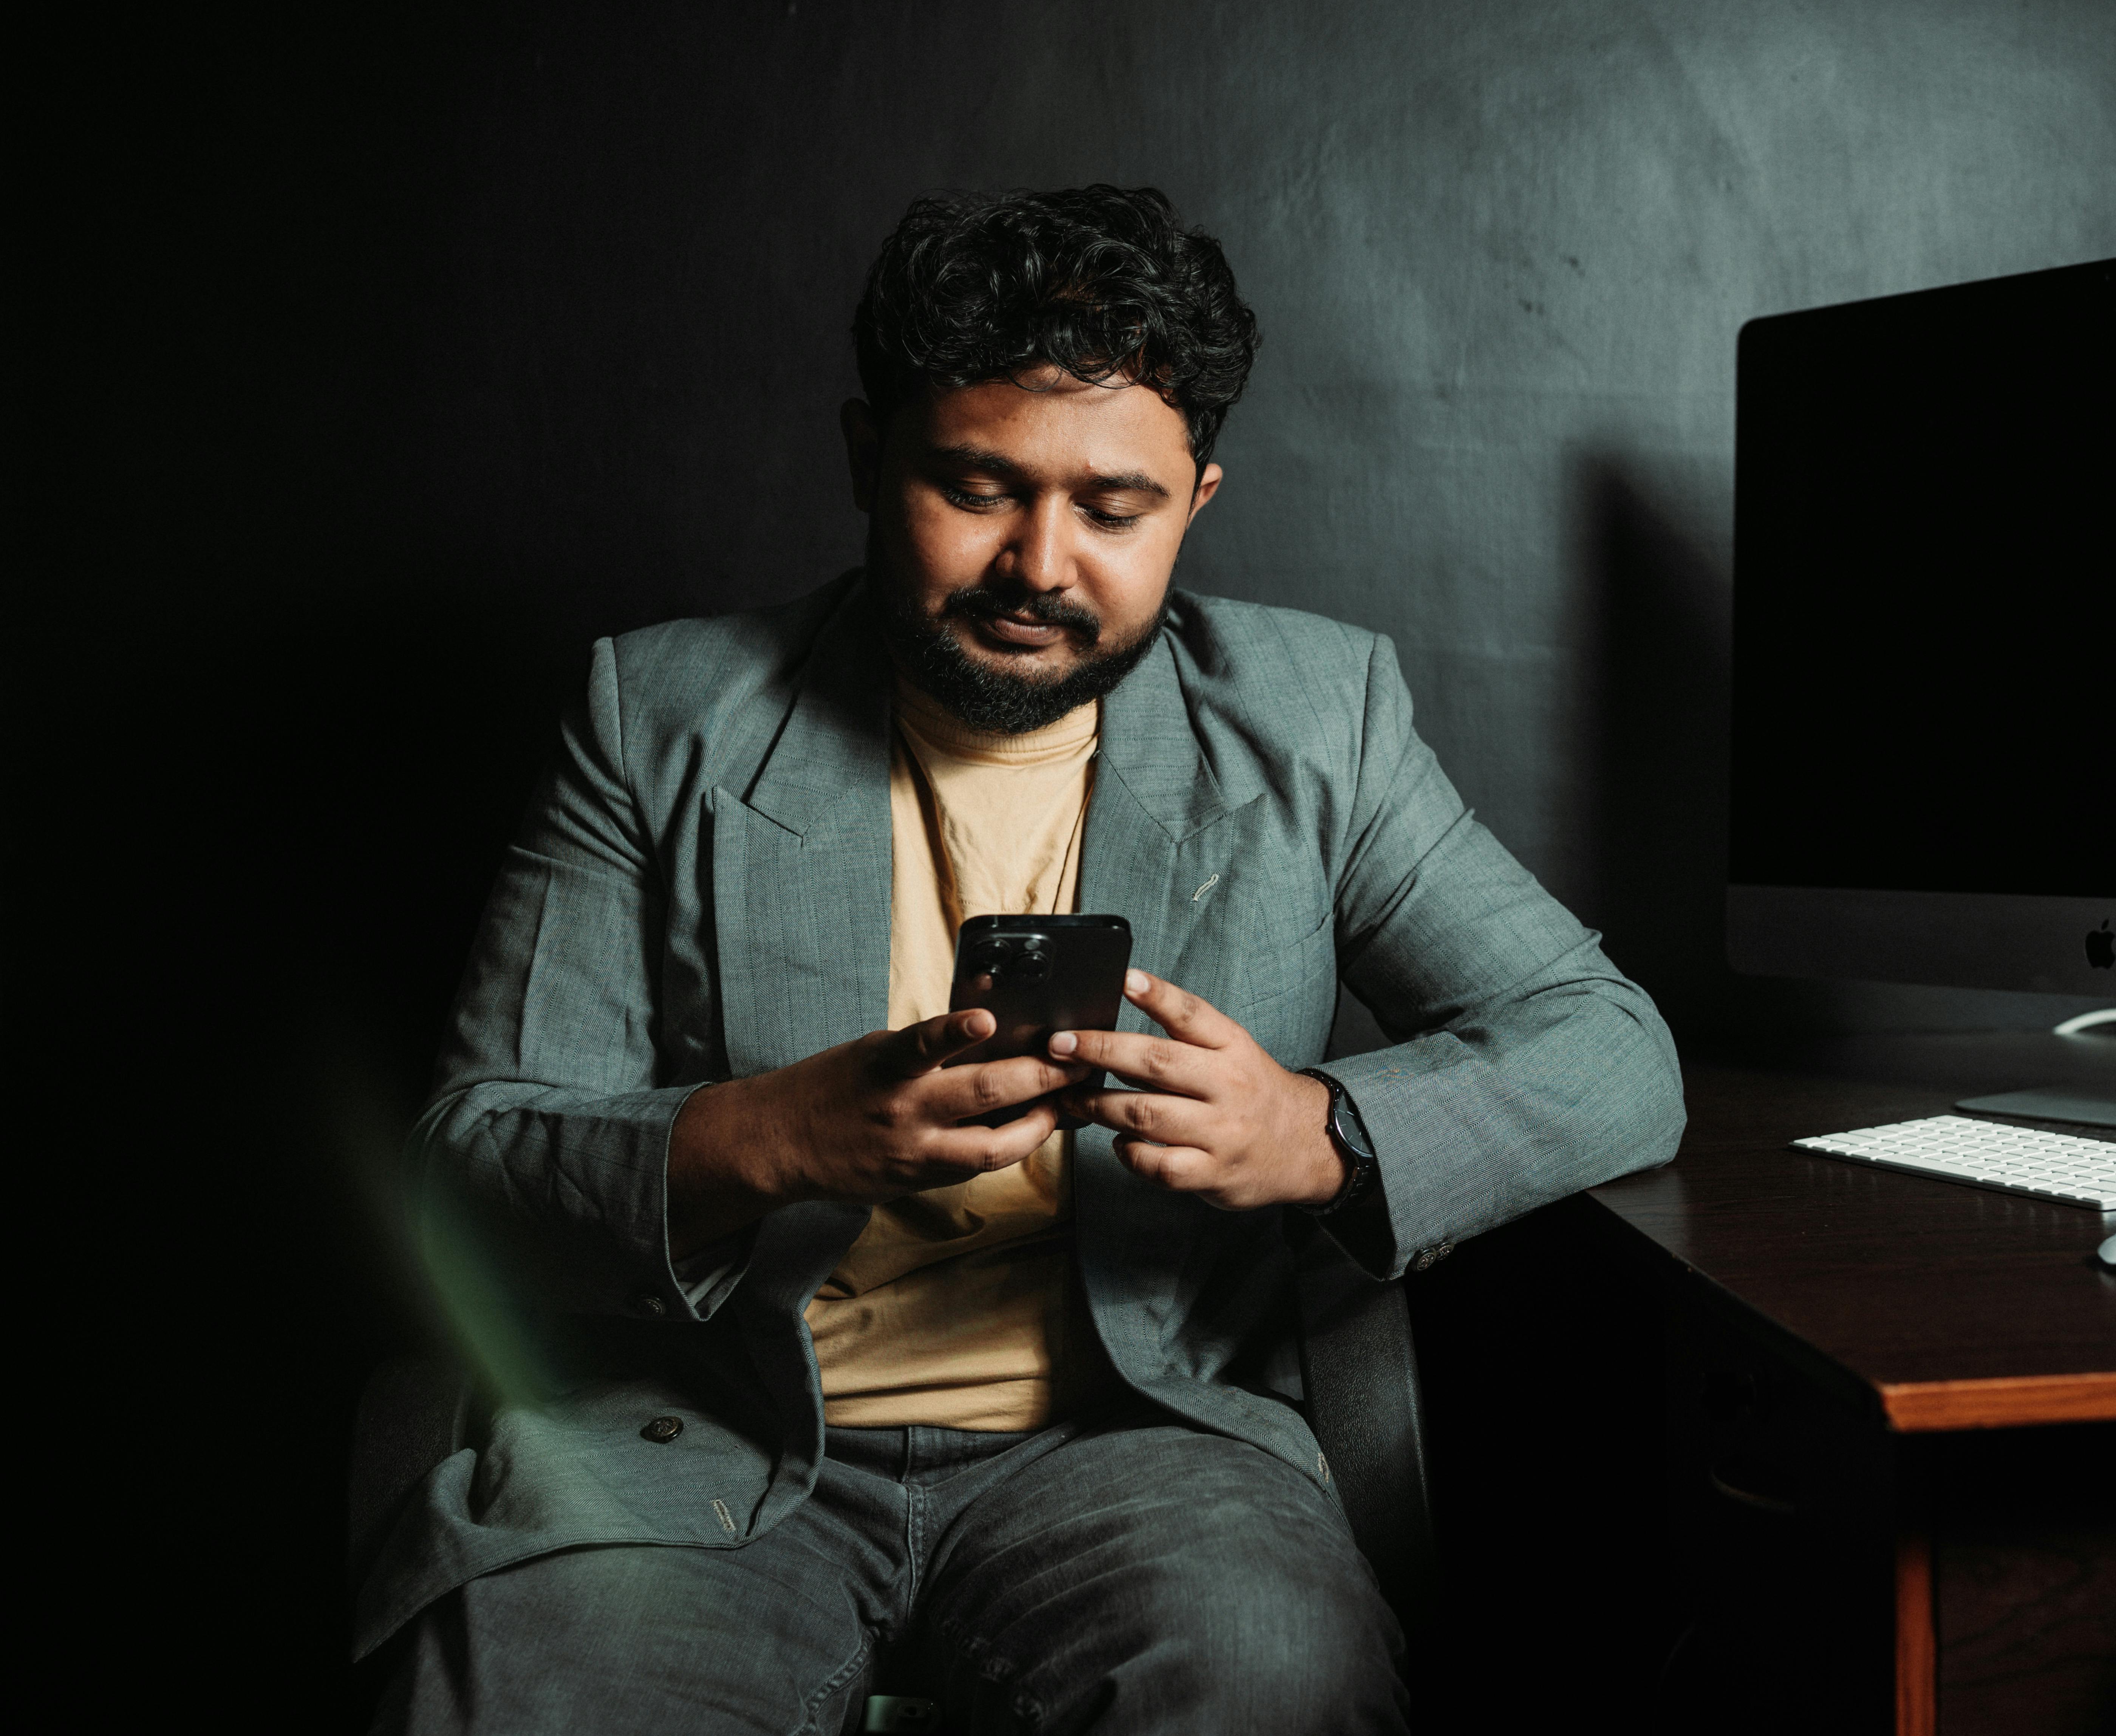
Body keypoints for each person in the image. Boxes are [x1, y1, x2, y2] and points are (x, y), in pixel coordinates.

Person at [357, 184, 1685, 1734]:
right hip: (696, 1437)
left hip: (1140, 1439)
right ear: (869, 460)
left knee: (1271, 1686)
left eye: (1112, 509)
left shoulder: (1319, 721)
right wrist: (776, 1133)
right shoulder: (661, 716)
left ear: (1195, 497)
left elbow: (1608, 1047)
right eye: (974, 486)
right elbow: (471, 1159)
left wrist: (1316, 1133)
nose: (1037, 564)